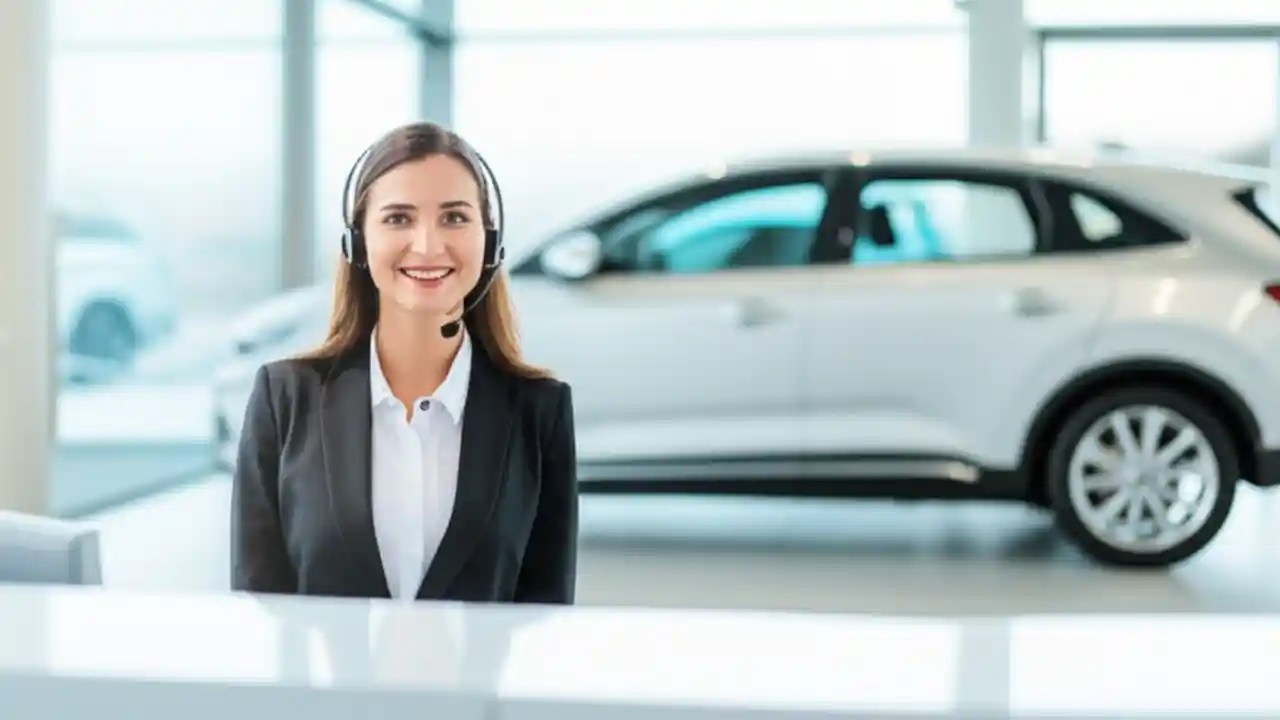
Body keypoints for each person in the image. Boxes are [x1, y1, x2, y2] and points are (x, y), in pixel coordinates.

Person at [231, 122, 577, 604]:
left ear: (490, 241)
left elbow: (545, 616)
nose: (429, 245)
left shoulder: (539, 411)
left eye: (455, 218)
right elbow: (258, 610)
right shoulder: (284, 399)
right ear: (358, 243)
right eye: (398, 219)